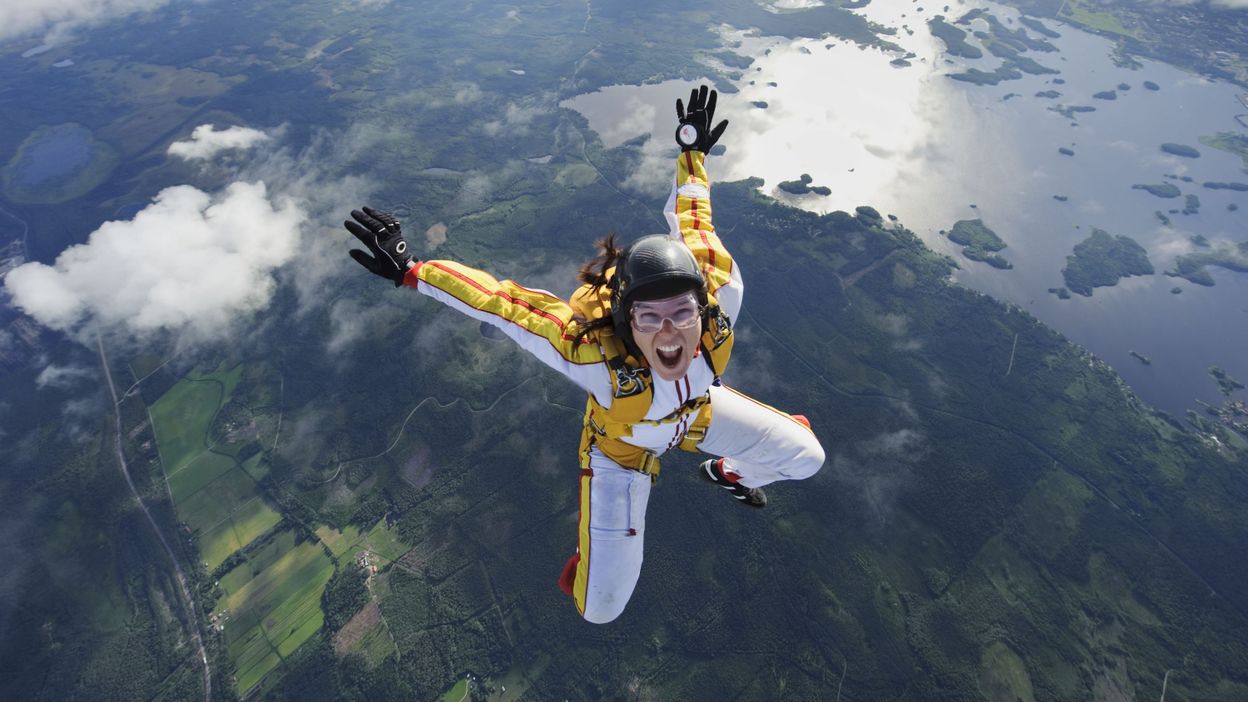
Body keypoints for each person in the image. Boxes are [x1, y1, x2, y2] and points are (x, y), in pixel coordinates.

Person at [342, 85, 825, 624]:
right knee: (600, 608)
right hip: (619, 449)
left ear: (703, 306)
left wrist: (692, 153)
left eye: (682, 312)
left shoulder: (720, 295)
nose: (670, 332)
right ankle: (596, 556)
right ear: (623, 322)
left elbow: (695, 224)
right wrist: (412, 270)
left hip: (696, 415)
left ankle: (729, 473)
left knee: (807, 458)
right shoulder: (593, 353)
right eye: (649, 318)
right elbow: (504, 304)